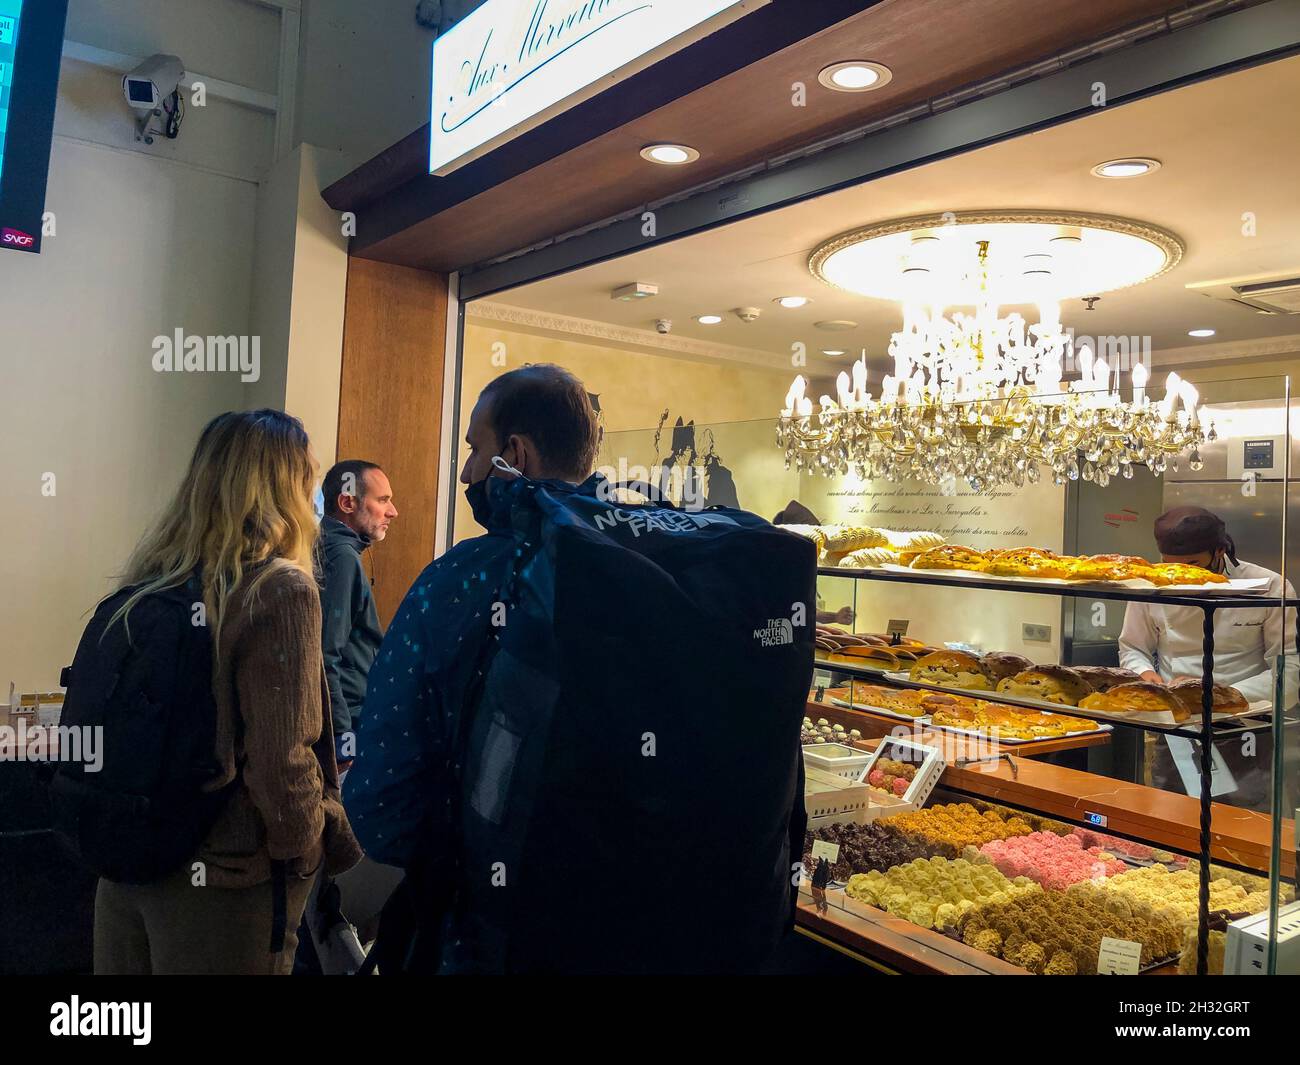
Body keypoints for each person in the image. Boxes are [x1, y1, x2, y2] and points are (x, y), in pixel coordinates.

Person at [93, 410, 362, 974]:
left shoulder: (149, 584)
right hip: (227, 882)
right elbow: (282, 759)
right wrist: (308, 852)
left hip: (129, 863)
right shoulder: (279, 589)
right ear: (285, 488)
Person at [346, 365, 600, 873]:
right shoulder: (638, 565)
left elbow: (383, 798)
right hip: (630, 904)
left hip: (492, 903)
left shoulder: (459, 580)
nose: (466, 473)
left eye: (475, 450)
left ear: (515, 456)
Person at [1118, 505, 1298, 811]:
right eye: (1169, 566)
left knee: (1242, 830)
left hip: (1246, 727)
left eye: (1193, 564)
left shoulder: (1271, 587)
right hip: (1178, 727)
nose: (1181, 576)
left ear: (1220, 551)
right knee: (1170, 820)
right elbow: (1132, 647)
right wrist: (1147, 677)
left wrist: (1222, 695)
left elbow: (1289, 667)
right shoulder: (1149, 585)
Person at [318, 459, 396, 776]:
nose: (393, 512)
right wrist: (341, 737)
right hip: (348, 725)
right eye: (382, 500)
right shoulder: (342, 558)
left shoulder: (326, 546)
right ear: (347, 502)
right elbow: (325, 654)